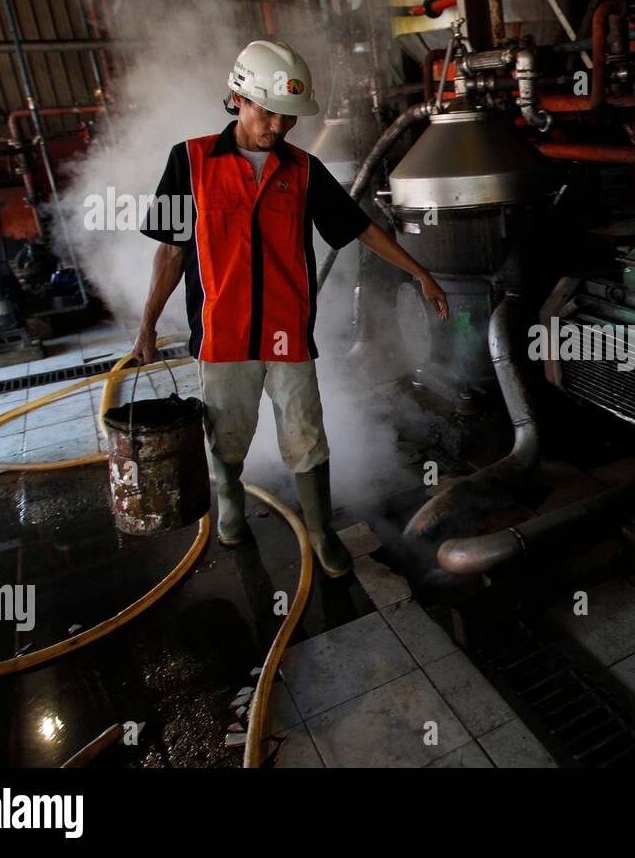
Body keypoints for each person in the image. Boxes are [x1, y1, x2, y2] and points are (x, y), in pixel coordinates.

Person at [134, 39, 448, 577]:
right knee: (227, 432)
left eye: (289, 118)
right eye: (271, 112)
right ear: (239, 97)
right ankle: (230, 503)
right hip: (222, 334)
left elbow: (361, 228)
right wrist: (145, 327)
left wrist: (419, 270)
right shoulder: (188, 162)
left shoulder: (303, 170)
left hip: (287, 334)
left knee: (306, 436)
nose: (280, 126)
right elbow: (170, 249)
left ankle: (323, 531)